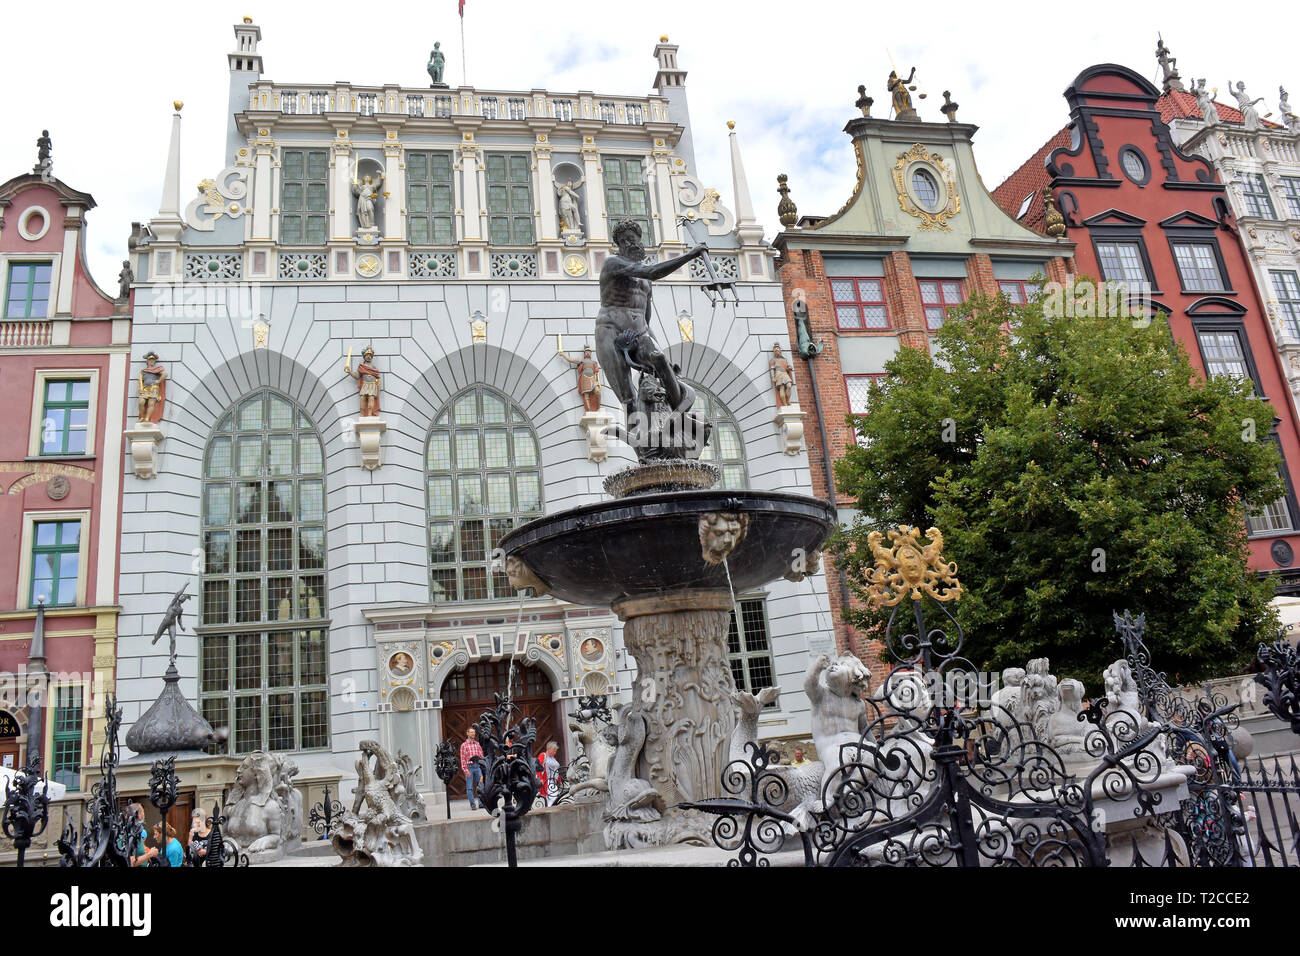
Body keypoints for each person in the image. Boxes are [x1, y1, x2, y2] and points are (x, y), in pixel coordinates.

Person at [459, 726, 484, 810]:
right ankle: (473, 805)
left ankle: (481, 803)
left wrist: (479, 757)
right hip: (469, 767)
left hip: (477, 767)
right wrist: (465, 770)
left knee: (480, 785)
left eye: (474, 732)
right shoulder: (464, 745)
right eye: (471, 732)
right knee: (469, 787)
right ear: (467, 733)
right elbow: (462, 759)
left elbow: (481, 755)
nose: (473, 733)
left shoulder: (477, 744)